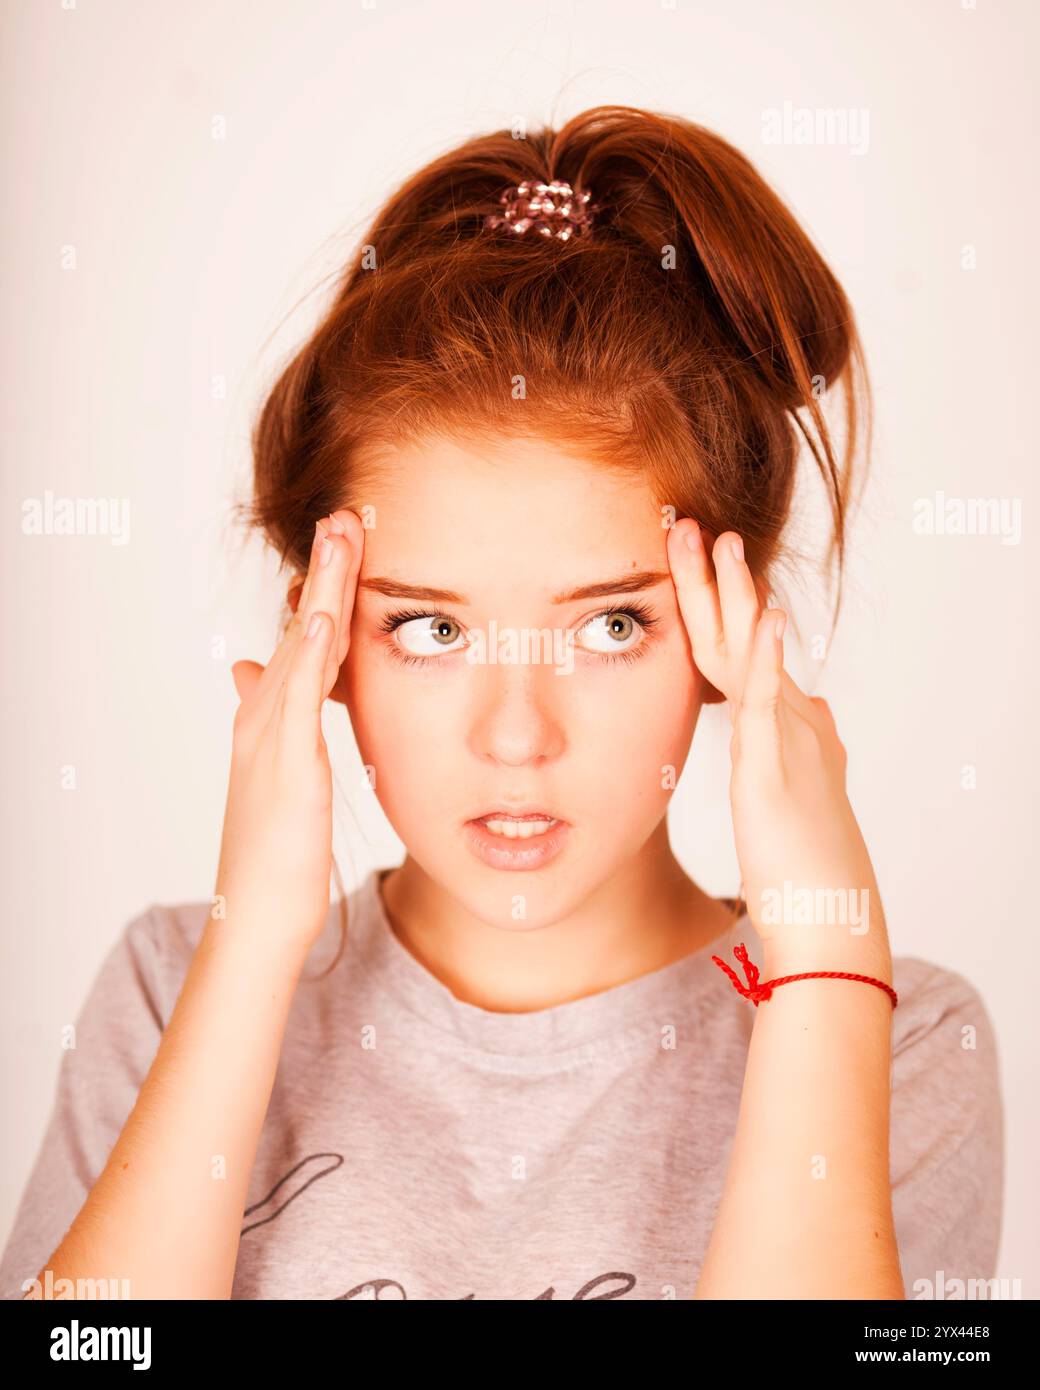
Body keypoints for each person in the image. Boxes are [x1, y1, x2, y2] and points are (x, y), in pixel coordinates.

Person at [1, 105, 1003, 1301]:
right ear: (322, 637)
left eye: (609, 626)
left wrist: (825, 961)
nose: (516, 738)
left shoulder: (893, 1035)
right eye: (430, 629)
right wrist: (253, 940)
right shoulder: (172, 983)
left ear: (728, 632)